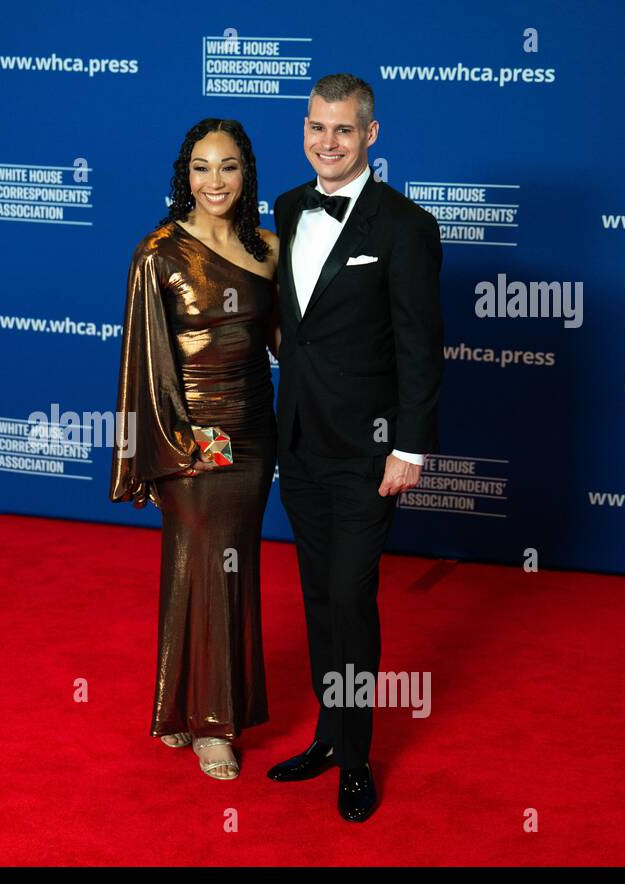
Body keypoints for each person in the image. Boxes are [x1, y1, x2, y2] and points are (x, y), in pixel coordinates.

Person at [267, 74, 443, 821]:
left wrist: (411, 449)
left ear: (372, 134)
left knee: (350, 596)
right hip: (299, 443)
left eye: (343, 130)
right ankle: (328, 735)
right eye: (316, 128)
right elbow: (292, 331)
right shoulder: (284, 207)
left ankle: (358, 757)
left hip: (369, 452)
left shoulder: (405, 226)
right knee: (314, 597)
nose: (327, 143)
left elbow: (420, 348)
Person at [110, 118, 281, 781]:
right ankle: (213, 725)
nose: (216, 181)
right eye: (203, 168)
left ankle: (180, 707)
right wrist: (182, 440)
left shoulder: (268, 248)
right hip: (191, 435)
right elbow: (142, 360)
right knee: (208, 559)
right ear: (185, 174)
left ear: (247, 174)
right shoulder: (158, 250)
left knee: (212, 566)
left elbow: (285, 346)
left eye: (229, 167)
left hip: (253, 434)